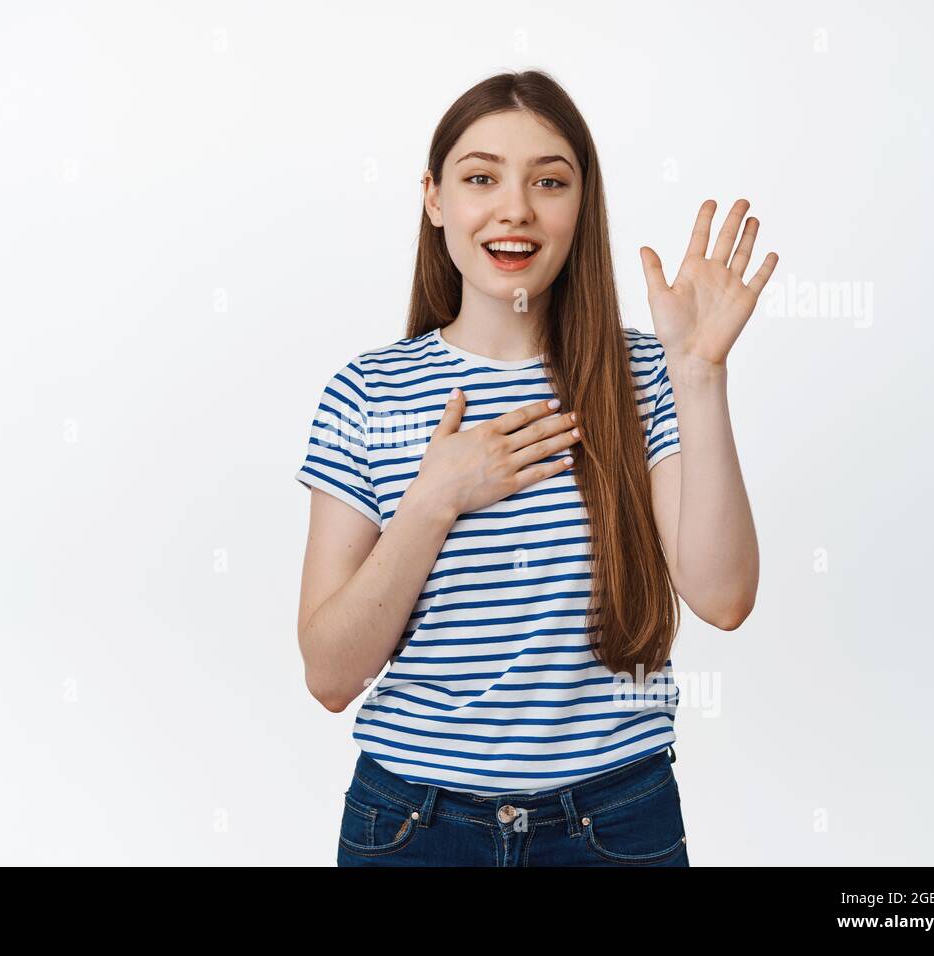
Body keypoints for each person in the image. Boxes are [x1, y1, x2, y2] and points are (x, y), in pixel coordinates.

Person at [294, 70, 776, 866]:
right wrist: (434, 499)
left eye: (549, 182)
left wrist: (698, 376)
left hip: (614, 821)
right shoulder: (366, 392)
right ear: (435, 199)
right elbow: (330, 675)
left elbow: (723, 599)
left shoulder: (647, 373)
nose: (515, 208)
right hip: (412, 826)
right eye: (481, 177)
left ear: (582, 205)